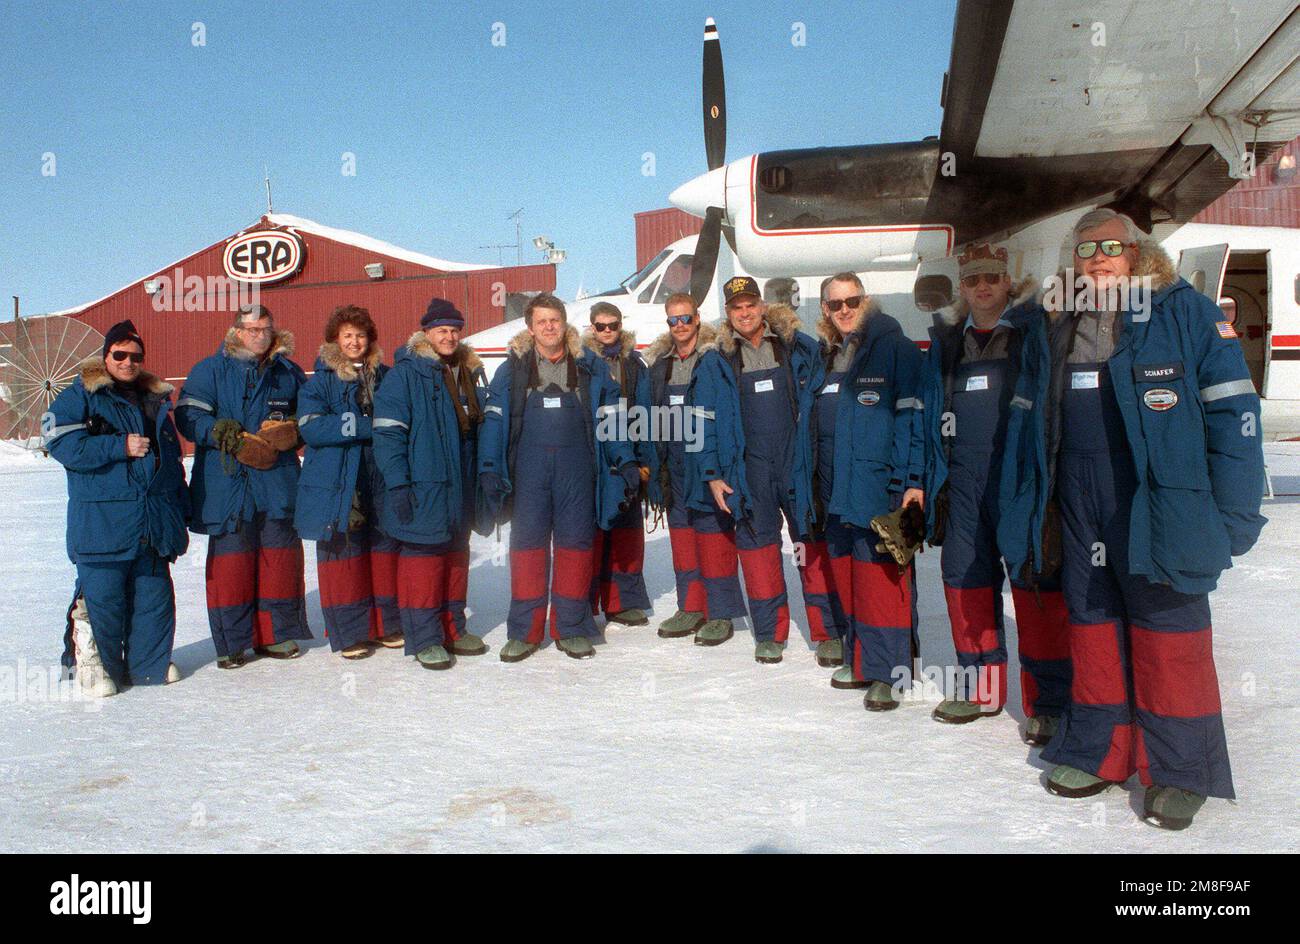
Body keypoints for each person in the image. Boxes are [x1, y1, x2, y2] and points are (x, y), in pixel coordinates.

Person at [1001, 208, 1266, 829]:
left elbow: (1234, 417)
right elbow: (1026, 424)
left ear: (1138, 253)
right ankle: (1101, 749)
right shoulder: (1055, 326)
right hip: (1079, 500)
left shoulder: (1183, 312)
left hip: (1161, 499)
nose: (1099, 259)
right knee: (1090, 624)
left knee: (1168, 633)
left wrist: (1232, 511)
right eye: (1087, 250)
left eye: (1112, 247)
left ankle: (1179, 771)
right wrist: (1024, 508)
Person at [919, 245, 1070, 741]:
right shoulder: (948, 344)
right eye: (972, 279)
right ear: (962, 287)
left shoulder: (1033, 332)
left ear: (1009, 282)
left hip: (1017, 481)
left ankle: (1048, 702)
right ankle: (979, 688)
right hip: (962, 484)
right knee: (964, 579)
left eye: (992, 277)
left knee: (1033, 588)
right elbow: (929, 417)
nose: (982, 287)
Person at [478, 293, 638, 662]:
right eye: (542, 321)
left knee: (576, 549)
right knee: (528, 551)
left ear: (564, 324)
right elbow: (494, 423)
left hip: (577, 472)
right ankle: (525, 631)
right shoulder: (513, 370)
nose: (549, 327)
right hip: (529, 474)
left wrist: (625, 460)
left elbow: (612, 418)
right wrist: (489, 467)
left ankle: (571, 627)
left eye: (555, 320)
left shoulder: (588, 366)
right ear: (530, 327)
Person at [799, 274, 925, 709]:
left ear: (866, 301)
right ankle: (861, 656)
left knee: (883, 578)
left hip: (880, 485)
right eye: (835, 304)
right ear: (826, 310)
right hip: (835, 490)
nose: (845, 310)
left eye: (852, 301)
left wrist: (913, 482)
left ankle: (890, 671)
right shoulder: (825, 356)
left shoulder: (897, 350)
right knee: (849, 576)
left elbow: (915, 420)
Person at [46, 320, 189, 696]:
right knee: (104, 601)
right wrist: (117, 447)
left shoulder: (155, 400)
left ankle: (148, 666)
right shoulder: (80, 395)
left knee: (153, 600)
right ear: (106, 356)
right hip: (103, 522)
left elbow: (171, 461)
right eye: (119, 354)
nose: (127, 362)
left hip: (152, 522)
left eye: (135, 356)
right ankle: (93, 667)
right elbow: (61, 445)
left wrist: (181, 509)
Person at [692, 276, 823, 664]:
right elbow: (701, 422)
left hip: (794, 463)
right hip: (748, 470)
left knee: (809, 546)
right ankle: (770, 633)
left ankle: (827, 629)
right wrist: (712, 474)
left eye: (750, 304)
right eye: (736, 307)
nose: (744, 312)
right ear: (728, 314)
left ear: (762, 307)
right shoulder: (715, 361)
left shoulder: (796, 347)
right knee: (758, 549)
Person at [175, 304, 311, 667]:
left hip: (277, 484)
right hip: (227, 485)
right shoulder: (209, 370)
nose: (259, 335)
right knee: (232, 567)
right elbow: (188, 416)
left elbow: (312, 412)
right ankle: (233, 643)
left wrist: (293, 430)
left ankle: (276, 635)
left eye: (265, 328)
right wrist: (218, 433)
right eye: (251, 329)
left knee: (278, 561)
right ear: (236, 332)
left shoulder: (287, 373)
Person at [371, 298, 490, 669]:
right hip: (423, 486)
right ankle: (424, 638)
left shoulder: (467, 373)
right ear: (426, 334)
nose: (450, 337)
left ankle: (453, 627)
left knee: (456, 557)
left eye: (455, 330)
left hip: (460, 486)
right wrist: (398, 484)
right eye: (442, 330)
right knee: (423, 562)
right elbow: (388, 435)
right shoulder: (405, 376)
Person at [295, 305, 402, 660]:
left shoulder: (387, 375)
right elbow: (310, 426)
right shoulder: (321, 380)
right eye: (347, 336)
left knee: (384, 546)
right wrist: (359, 425)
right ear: (335, 340)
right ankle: (351, 632)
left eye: (360, 335)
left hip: (381, 470)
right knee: (345, 552)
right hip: (339, 475)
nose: (354, 342)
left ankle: (387, 624)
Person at [643, 293, 747, 640]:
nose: (680, 325)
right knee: (683, 540)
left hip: (706, 457)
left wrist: (722, 464)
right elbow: (651, 418)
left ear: (698, 318)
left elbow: (726, 413)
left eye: (686, 318)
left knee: (713, 538)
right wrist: (655, 467)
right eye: (674, 320)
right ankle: (691, 607)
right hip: (673, 464)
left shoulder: (714, 359)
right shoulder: (660, 364)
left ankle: (720, 613)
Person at [581, 301, 653, 627]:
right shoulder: (581, 362)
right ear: (591, 327)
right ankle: (586, 600)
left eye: (613, 325)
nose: (607, 331)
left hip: (628, 451)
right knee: (595, 528)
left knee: (627, 530)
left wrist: (641, 456)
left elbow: (646, 411)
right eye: (601, 326)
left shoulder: (634, 364)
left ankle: (622, 601)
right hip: (595, 452)